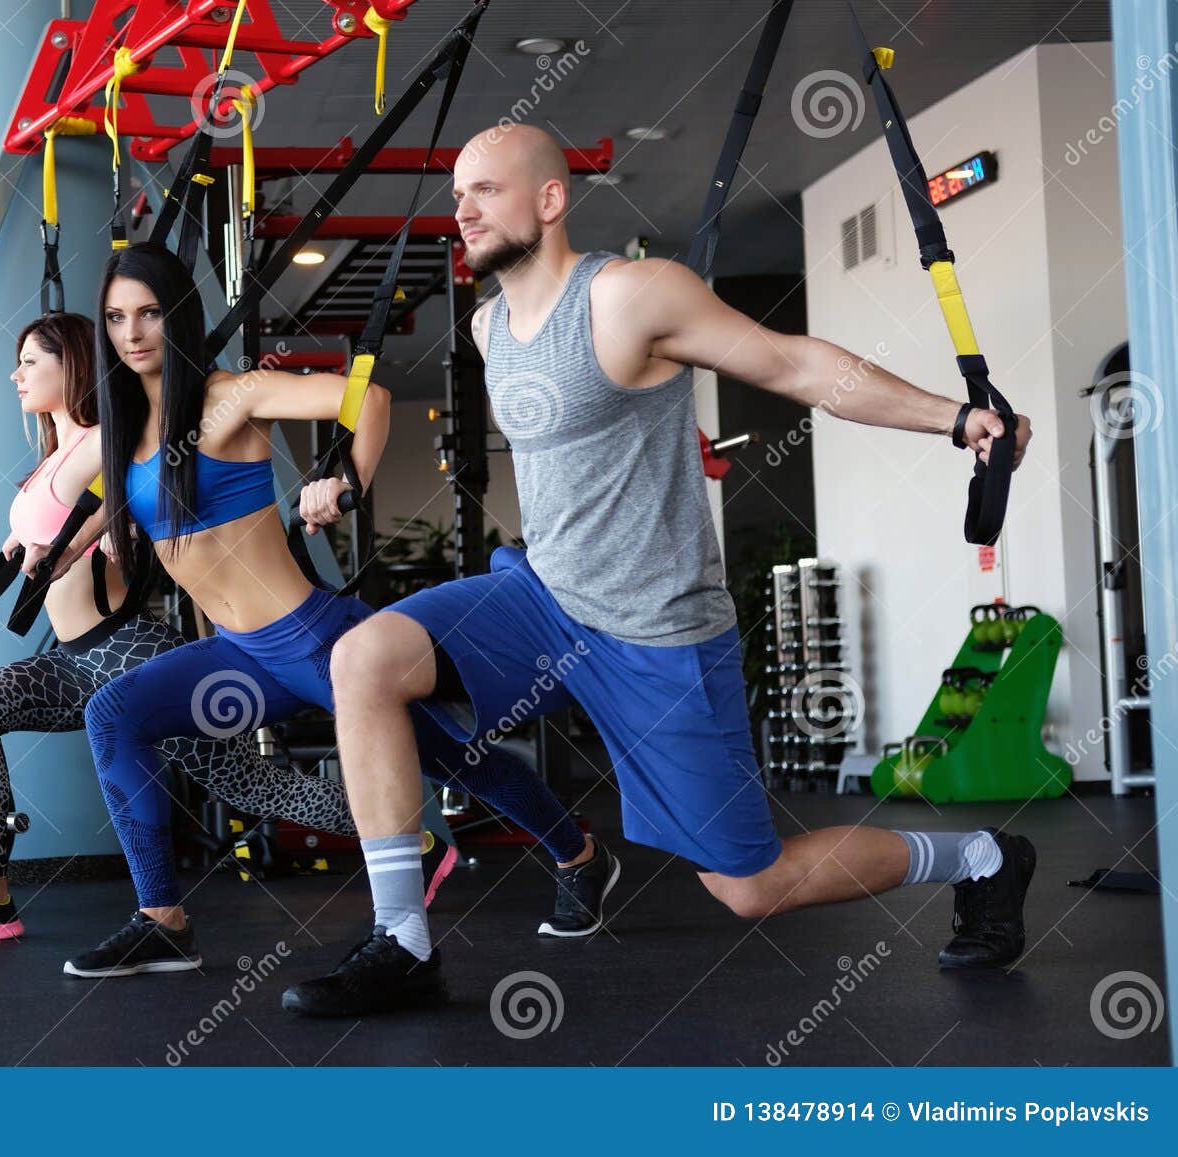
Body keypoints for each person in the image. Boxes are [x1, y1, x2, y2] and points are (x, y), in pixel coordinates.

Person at [280, 124, 1039, 1017]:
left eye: (485, 189)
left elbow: (794, 363)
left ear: (552, 199)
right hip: (543, 599)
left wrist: (953, 419)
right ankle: (404, 943)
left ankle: (986, 858)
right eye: (458, 193)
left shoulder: (632, 296)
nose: (463, 208)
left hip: (657, 631)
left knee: (750, 886)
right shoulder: (489, 326)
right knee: (361, 660)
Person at [55, 243, 602, 985]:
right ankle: (163, 922)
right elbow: (112, 503)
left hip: (312, 640)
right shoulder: (126, 432)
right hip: (235, 654)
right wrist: (52, 548)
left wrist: (347, 475)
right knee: (114, 712)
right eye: (116, 318)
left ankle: (579, 855)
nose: (132, 332)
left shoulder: (233, 397)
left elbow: (366, 398)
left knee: (451, 757)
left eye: (149, 313)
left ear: (178, 318)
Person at [0, 312, 358, 946]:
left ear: (73, 366)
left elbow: (133, 489)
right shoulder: (52, 456)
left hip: (128, 652)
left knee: (246, 783)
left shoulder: (107, 441)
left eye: (31, 361)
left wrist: (119, 532)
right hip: (71, 661)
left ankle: (394, 829)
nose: (17, 374)